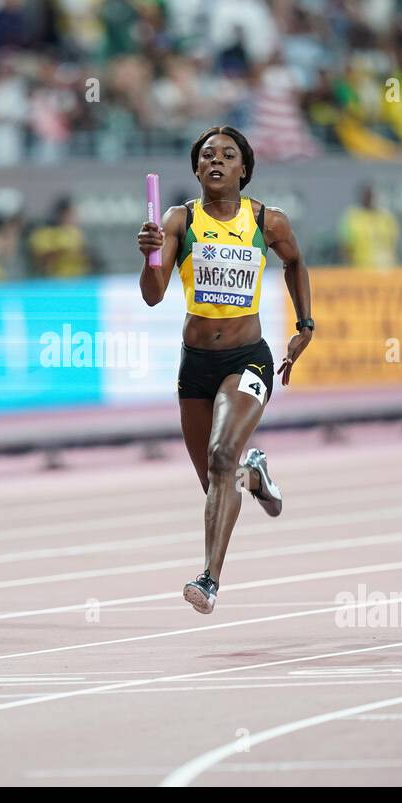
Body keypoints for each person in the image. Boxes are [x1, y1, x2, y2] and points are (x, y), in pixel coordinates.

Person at [137, 125, 315, 614]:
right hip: (194, 365)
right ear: (196, 169)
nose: (216, 160)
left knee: (220, 458)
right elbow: (152, 295)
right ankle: (253, 475)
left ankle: (209, 579)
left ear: (244, 169)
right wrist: (151, 255)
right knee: (218, 482)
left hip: (247, 359)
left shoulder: (267, 220)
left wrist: (305, 324)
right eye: (206, 155)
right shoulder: (179, 220)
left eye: (227, 154)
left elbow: (296, 264)